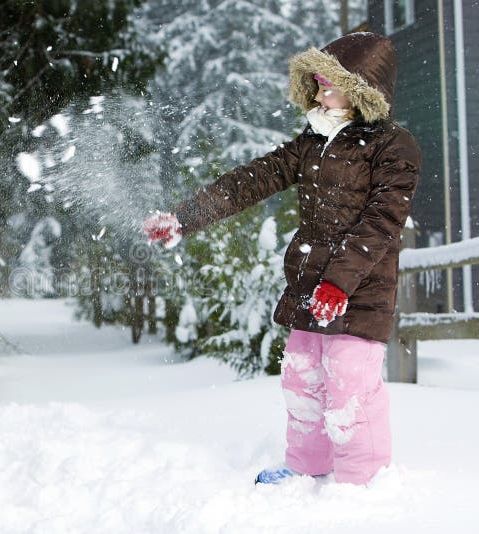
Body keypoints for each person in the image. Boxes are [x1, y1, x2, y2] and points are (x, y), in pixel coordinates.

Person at [142, 32, 421, 486]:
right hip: (310, 284)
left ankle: (363, 481)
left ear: (362, 89)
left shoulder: (394, 146)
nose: (320, 94)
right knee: (301, 377)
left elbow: (381, 222)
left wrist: (340, 283)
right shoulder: (313, 140)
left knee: (349, 383)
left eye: (330, 85)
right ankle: (308, 468)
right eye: (318, 84)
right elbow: (253, 179)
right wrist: (184, 219)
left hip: (361, 288)